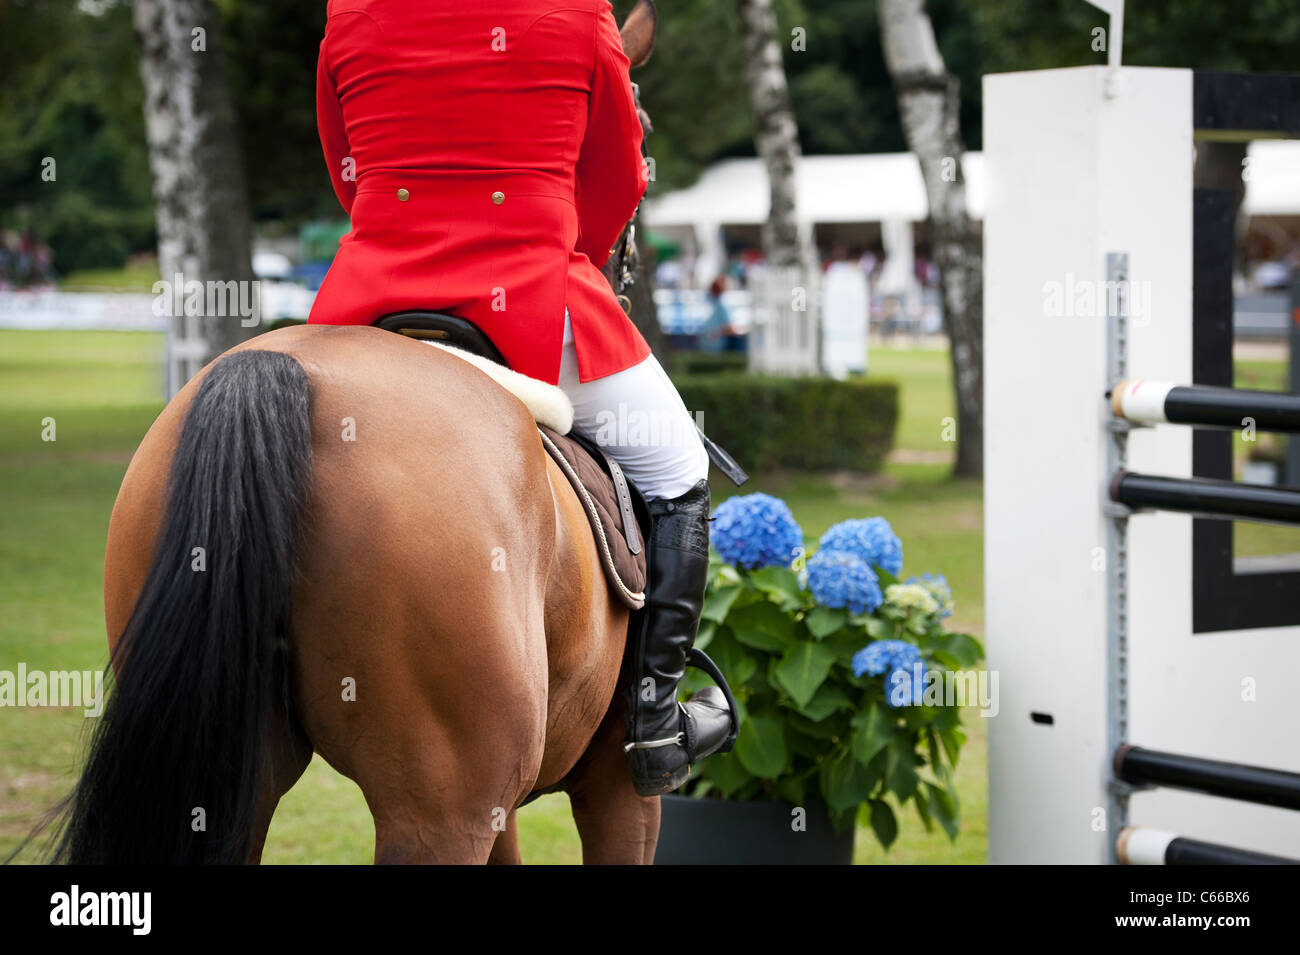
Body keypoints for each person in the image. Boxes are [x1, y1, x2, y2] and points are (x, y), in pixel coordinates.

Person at [308, 0, 732, 796]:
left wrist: (402, 239)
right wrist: (579, 251)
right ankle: (652, 720)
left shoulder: (351, 11)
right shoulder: (579, 13)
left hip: (369, 302)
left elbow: (346, 164)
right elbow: (615, 173)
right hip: (533, 295)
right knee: (677, 470)